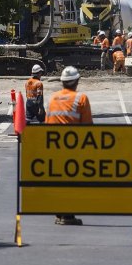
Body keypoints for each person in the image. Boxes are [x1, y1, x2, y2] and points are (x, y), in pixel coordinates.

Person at [46, 66, 93, 225]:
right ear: (77, 81)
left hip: (53, 147)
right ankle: (67, 215)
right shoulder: (81, 98)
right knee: (71, 181)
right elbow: (88, 127)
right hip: (73, 148)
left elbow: (47, 125)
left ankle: (59, 213)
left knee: (58, 181)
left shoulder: (52, 98)